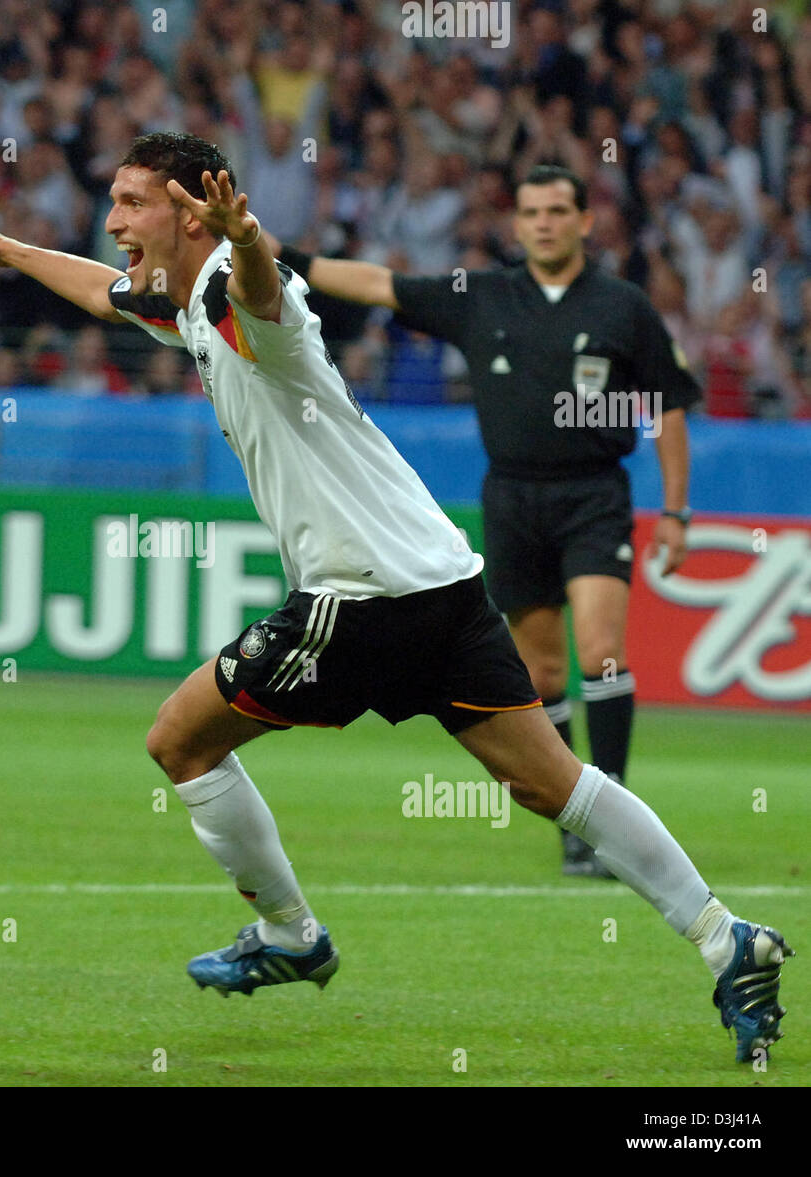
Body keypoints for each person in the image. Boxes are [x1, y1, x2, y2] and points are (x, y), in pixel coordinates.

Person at [0, 133, 791, 1063]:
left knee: (179, 740)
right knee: (553, 782)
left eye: (133, 202)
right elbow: (107, 289)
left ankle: (292, 935)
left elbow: (263, 294)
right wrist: (5, 250)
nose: (114, 220)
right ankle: (726, 937)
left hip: (360, 596)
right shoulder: (188, 301)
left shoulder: (236, 290)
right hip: (440, 577)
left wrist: (253, 239)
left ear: (190, 213)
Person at [274, 164, 698, 877]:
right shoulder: (484, 296)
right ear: (517, 222)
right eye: (531, 210)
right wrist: (288, 257)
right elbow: (381, 284)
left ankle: (617, 806)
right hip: (512, 498)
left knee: (600, 651)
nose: (544, 222)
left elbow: (670, 404)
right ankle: (578, 821)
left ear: (586, 221)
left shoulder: (624, 307)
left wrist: (679, 510)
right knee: (543, 668)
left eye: (559, 210)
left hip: (595, 494)